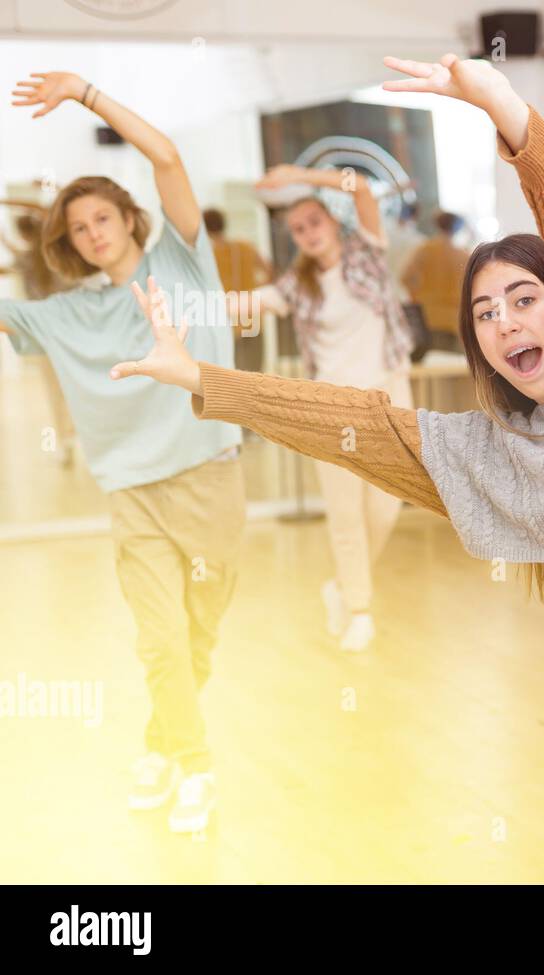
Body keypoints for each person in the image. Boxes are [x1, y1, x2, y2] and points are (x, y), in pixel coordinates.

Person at [111, 53, 544, 885]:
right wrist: (205, 380)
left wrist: (508, 114)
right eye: (485, 313)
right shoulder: (489, 454)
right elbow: (358, 423)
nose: (504, 322)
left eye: (525, 298)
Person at [0, 70, 245, 834]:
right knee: (160, 636)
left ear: (129, 218)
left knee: (198, 633)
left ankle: (158, 742)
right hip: (132, 493)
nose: (94, 233)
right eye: (79, 228)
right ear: (70, 244)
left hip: (210, 477)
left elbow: (167, 158)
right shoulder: (64, 313)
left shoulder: (183, 264)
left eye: (103, 216)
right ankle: (196, 765)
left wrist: (85, 94)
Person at [230, 164, 415, 653]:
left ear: (332, 223)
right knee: (345, 514)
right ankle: (358, 609)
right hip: (332, 408)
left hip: (389, 397)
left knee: (387, 506)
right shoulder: (297, 285)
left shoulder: (369, 255)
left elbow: (363, 190)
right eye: (297, 229)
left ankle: (341, 586)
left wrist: (296, 173)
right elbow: (251, 302)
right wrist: (184, 308)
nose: (308, 233)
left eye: (314, 222)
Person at [0, 202, 77, 465]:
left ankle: (65, 441)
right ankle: (77, 435)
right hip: (69, 331)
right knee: (75, 385)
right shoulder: (56, 256)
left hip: (43, 333)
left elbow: (9, 257)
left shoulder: (25, 259)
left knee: (55, 389)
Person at [203, 207, 271, 374]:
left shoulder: (208, 255)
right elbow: (270, 273)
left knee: (232, 379)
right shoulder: (245, 247)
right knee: (255, 375)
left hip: (226, 325)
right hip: (252, 317)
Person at [402, 209, 469, 352]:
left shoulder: (425, 250)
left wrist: (416, 296)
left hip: (428, 316)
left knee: (430, 367)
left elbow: (405, 278)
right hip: (455, 320)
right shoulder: (464, 255)